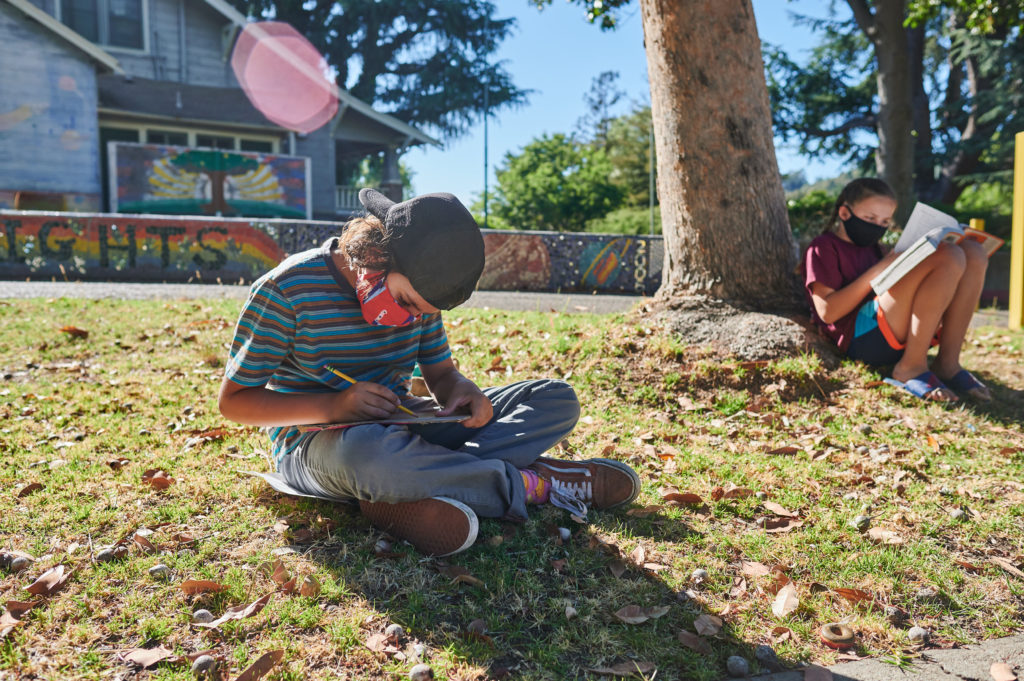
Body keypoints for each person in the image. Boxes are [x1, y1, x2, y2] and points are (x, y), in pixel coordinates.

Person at [219, 188, 640, 556]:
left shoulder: (422, 294)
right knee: (371, 454)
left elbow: (440, 374)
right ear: (376, 255)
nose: (409, 319)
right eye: (406, 302)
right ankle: (533, 486)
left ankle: (419, 485)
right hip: (316, 444)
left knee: (555, 398)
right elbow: (235, 403)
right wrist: (335, 405)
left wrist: (463, 392)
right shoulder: (288, 289)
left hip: (406, 424)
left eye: (422, 313)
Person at [803, 178, 991, 402]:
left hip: (894, 330)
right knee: (949, 254)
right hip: (860, 339)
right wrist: (882, 267)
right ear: (845, 214)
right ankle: (911, 367)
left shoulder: (877, 249)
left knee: (973, 251)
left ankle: (948, 364)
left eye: (884, 222)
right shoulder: (823, 247)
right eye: (869, 218)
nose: (877, 226)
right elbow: (828, 312)